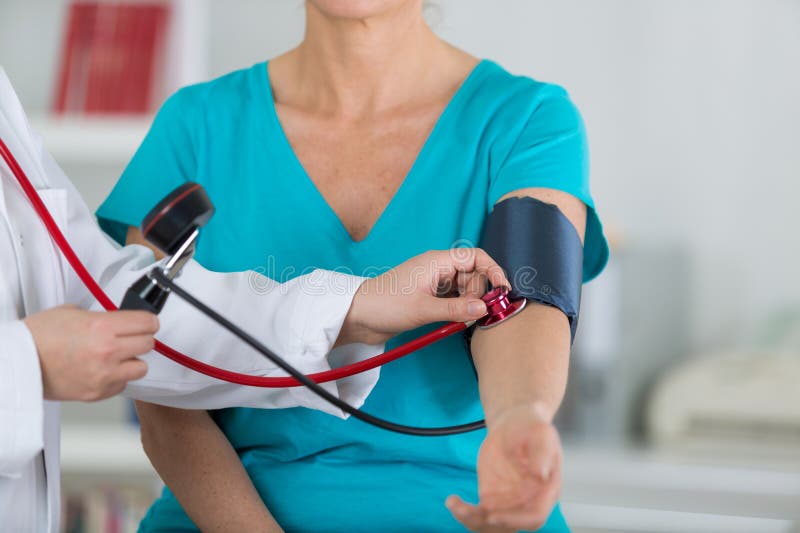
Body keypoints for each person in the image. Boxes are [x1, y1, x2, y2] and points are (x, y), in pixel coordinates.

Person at [97, 1, 610, 531]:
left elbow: (524, 305)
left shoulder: (529, 118)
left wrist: (521, 417)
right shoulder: (196, 125)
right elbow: (158, 383)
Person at [0, 66, 510, 533]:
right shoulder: (198, 118)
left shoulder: (515, 113)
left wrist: (360, 307)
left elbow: (101, 297)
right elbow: (153, 401)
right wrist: (24, 364)